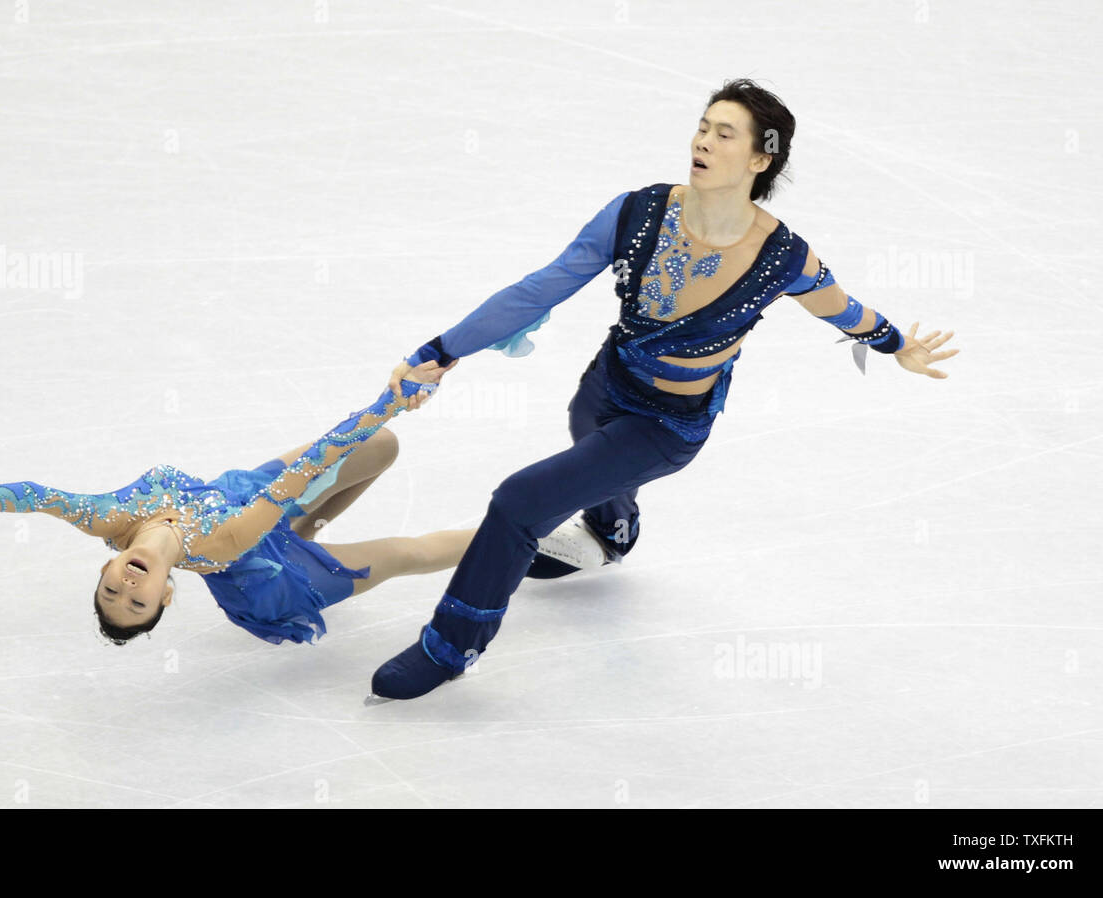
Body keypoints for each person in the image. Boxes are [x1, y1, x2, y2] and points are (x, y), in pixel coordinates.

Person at [372, 78, 961, 699]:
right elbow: (539, 288)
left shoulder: (781, 256)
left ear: (761, 159)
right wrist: (438, 352)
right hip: (606, 383)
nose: (703, 141)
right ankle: (610, 531)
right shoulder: (637, 212)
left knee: (520, 502)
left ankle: (450, 646)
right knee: (585, 434)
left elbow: (841, 309)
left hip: (667, 425)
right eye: (702, 127)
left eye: (723, 133)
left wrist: (897, 345)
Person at [0, 366, 473, 647]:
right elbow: (307, 468)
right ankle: (525, 531)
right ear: (166, 593)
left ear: (105, 569)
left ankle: (307, 530)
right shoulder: (217, 545)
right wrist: (387, 402)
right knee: (407, 552)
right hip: (275, 575)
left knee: (383, 450)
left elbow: (36, 498)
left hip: (249, 494)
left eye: (112, 591)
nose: (128, 588)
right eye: (138, 602)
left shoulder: (110, 519)